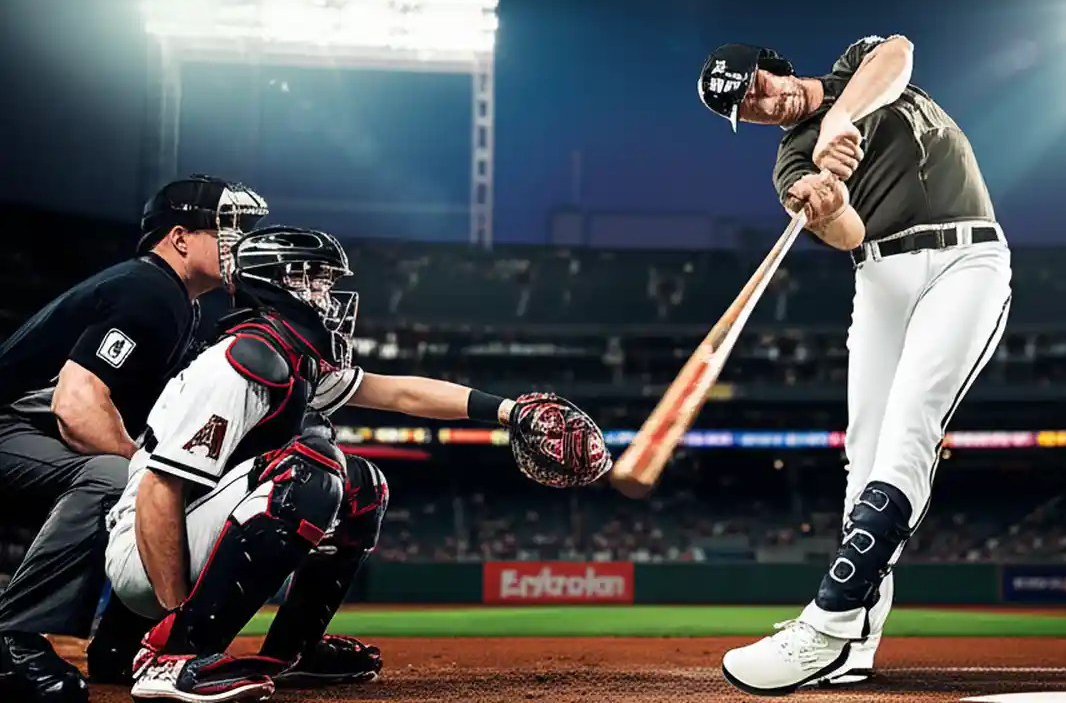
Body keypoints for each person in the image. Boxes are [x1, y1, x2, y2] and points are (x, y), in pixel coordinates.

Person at [103, 226, 609, 702]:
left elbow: (401, 393)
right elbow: (159, 488)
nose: (326, 295)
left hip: (193, 530)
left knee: (363, 483)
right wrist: (173, 617)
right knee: (313, 466)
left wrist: (508, 411)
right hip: (148, 549)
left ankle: (292, 650)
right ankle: (174, 655)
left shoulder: (291, 358)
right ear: (272, 285)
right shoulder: (240, 360)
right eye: (313, 280)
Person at [698, 37, 1012, 695]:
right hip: (880, 278)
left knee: (909, 428)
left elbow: (896, 54)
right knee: (863, 454)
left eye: (755, 85)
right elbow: (849, 236)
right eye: (745, 109)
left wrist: (839, 123)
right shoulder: (789, 163)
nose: (760, 103)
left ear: (771, 63)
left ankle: (829, 621)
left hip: (966, 259)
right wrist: (830, 204)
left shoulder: (854, 70)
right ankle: (854, 647)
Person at [0, 174, 267, 703]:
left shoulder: (177, 300)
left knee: (166, 484)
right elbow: (76, 405)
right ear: (179, 238)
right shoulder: (150, 289)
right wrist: (140, 463)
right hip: (12, 424)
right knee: (120, 477)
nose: (238, 242)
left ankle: (120, 645)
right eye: (226, 229)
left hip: (30, 433)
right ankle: (14, 639)